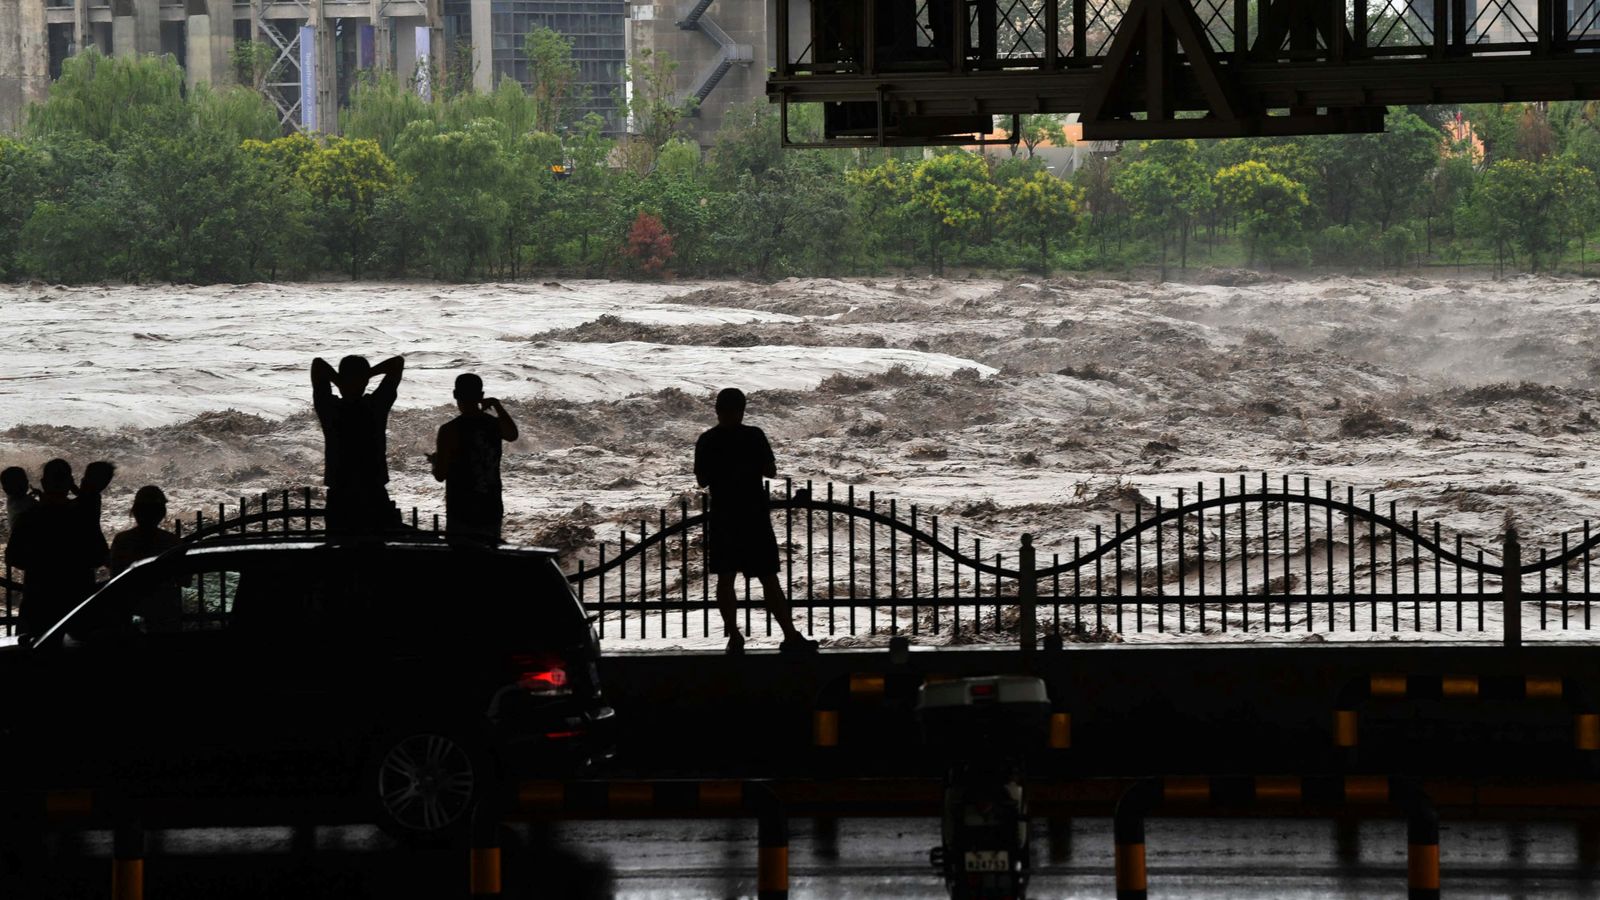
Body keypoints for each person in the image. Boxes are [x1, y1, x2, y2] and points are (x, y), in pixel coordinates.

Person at [694, 388, 817, 655]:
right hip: (753, 515)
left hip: (724, 515)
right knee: (768, 579)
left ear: (717, 410)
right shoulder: (754, 435)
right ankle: (790, 636)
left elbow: (702, 480)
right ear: (742, 410)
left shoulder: (707, 440)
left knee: (725, 581)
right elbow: (770, 471)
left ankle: (735, 637)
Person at [4, 459, 108, 639]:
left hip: (38, 602)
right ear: (70, 483)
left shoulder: (28, 518)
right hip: (78, 603)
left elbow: (13, 557)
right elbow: (99, 556)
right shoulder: (84, 517)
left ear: (43, 483)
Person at [311, 354, 405, 535]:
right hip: (374, 492)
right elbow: (397, 363)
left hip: (340, 493)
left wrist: (340, 380)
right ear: (365, 382)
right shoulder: (376, 406)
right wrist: (367, 374)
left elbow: (318, 365)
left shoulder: (329, 408)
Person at [428, 373, 518, 544]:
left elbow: (440, 475)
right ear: (481, 396)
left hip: (461, 508)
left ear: (455, 394)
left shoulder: (449, 430)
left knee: (462, 559)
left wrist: (434, 462)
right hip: (490, 505)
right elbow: (513, 435)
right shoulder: (493, 424)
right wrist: (496, 405)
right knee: (488, 556)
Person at [109, 486, 183, 631]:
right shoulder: (172, 542)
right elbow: (184, 580)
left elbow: (115, 578)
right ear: (162, 513)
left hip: (129, 612)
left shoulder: (122, 540)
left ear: (135, 511)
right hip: (165, 614)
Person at [2, 466, 37, 530]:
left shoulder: (12, 501)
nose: (27, 481)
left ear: (5, 489)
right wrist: (42, 496)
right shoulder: (26, 504)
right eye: (24, 480)